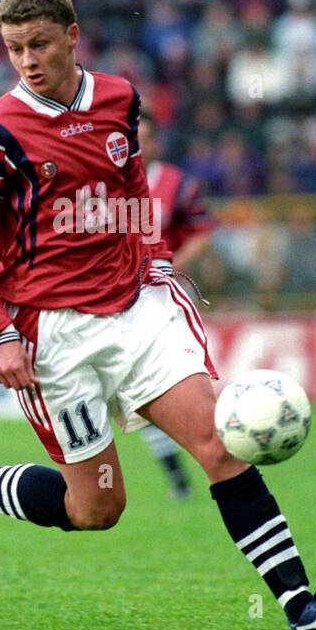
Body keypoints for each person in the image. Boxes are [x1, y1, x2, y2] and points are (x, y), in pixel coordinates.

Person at [0, 0, 316, 630]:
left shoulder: (118, 98)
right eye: (15, 48)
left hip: (140, 309)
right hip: (52, 333)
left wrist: (152, 249)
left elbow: (133, 181)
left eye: (40, 43)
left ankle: (300, 605)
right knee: (97, 508)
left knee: (222, 445)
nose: (28, 60)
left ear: (72, 36)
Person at [135, 110, 216, 499]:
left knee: (182, 383)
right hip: (119, 305)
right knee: (141, 391)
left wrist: (175, 265)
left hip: (167, 301)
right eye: (131, 136)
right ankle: (178, 475)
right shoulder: (101, 184)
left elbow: (202, 231)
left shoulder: (177, 184)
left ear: (156, 141)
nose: (138, 144)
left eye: (145, 136)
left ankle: (215, 460)